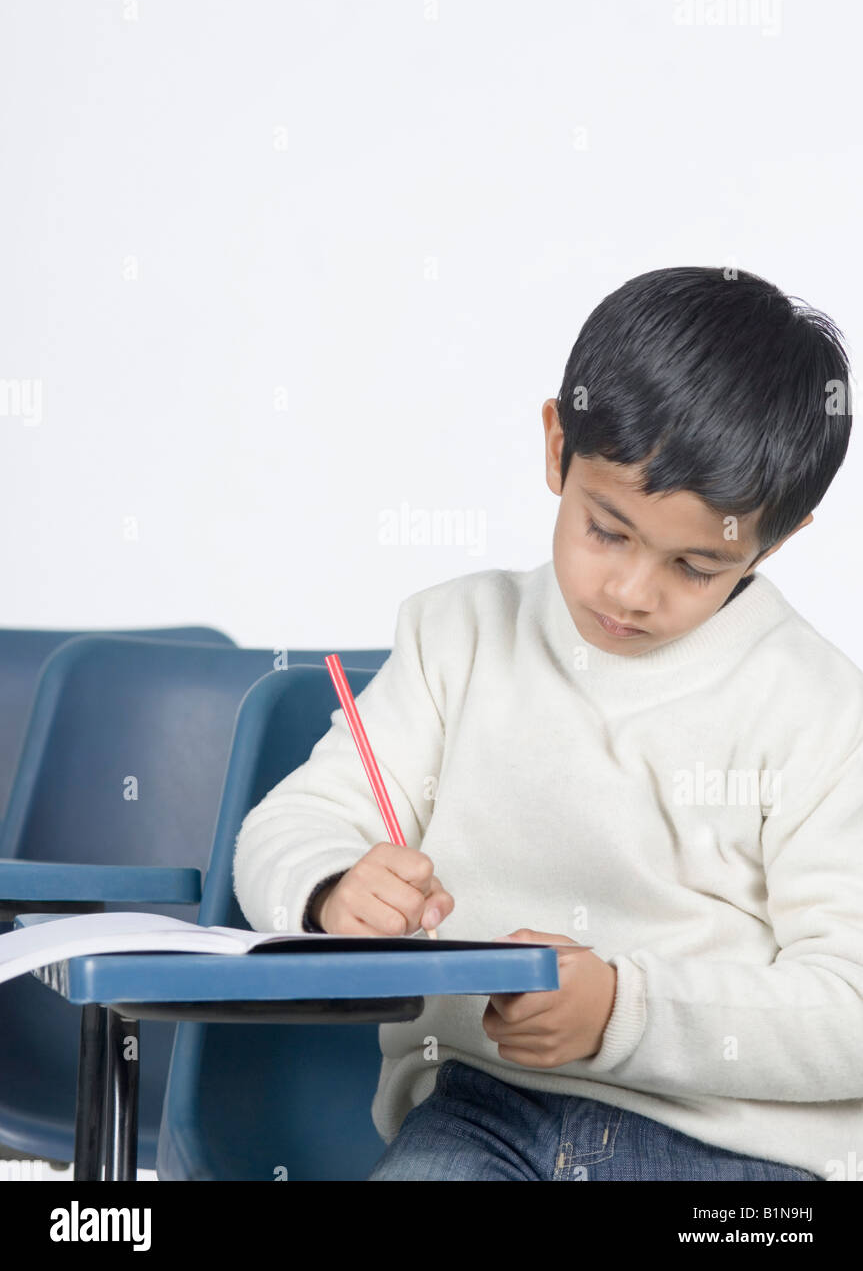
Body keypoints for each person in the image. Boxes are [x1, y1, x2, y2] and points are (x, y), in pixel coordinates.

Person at [233, 265, 862, 1181]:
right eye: (606, 530)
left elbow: (848, 1004)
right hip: (477, 1112)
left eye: (693, 565)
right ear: (555, 446)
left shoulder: (817, 710)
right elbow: (288, 826)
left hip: (740, 1152)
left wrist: (622, 1010)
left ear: (778, 538)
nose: (630, 593)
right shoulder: (458, 637)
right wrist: (330, 889)